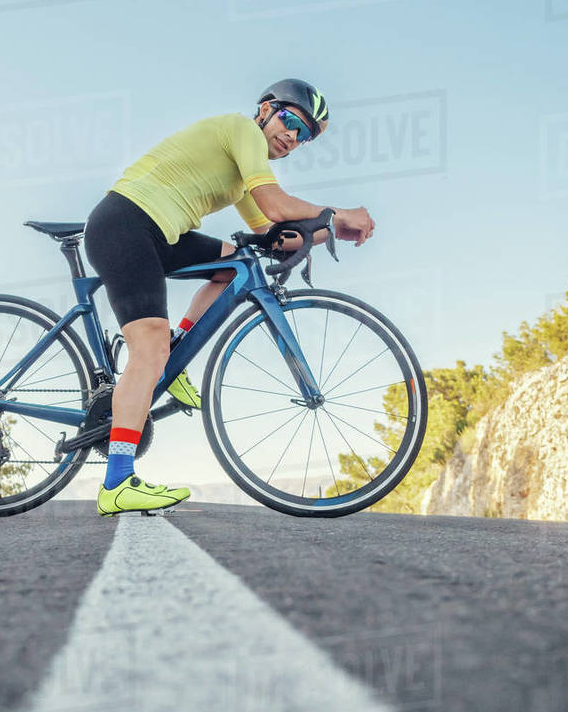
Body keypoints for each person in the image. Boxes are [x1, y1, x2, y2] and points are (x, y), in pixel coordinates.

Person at [82, 79, 375, 516]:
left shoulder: (241, 178)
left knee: (234, 264)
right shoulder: (241, 131)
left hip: (158, 232)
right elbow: (276, 206)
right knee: (148, 347)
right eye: (291, 121)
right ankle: (118, 483)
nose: (294, 136)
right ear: (265, 110)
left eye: (305, 134)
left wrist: (325, 228)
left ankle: (176, 351)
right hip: (127, 222)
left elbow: (271, 235)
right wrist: (338, 213)